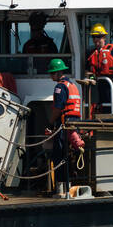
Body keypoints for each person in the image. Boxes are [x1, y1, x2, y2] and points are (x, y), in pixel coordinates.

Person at [47, 57, 83, 192]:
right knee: (70, 156)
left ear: (57, 73)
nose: (50, 76)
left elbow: (58, 108)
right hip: (74, 125)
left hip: (64, 125)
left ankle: (62, 188)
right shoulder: (72, 85)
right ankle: (70, 185)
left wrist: (50, 123)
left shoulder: (60, 87)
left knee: (59, 156)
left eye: (52, 73)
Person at [85, 23, 113, 113]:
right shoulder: (91, 53)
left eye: (99, 36)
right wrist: (91, 76)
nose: (96, 39)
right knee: (106, 111)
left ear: (104, 37)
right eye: (94, 37)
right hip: (103, 87)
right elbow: (88, 70)